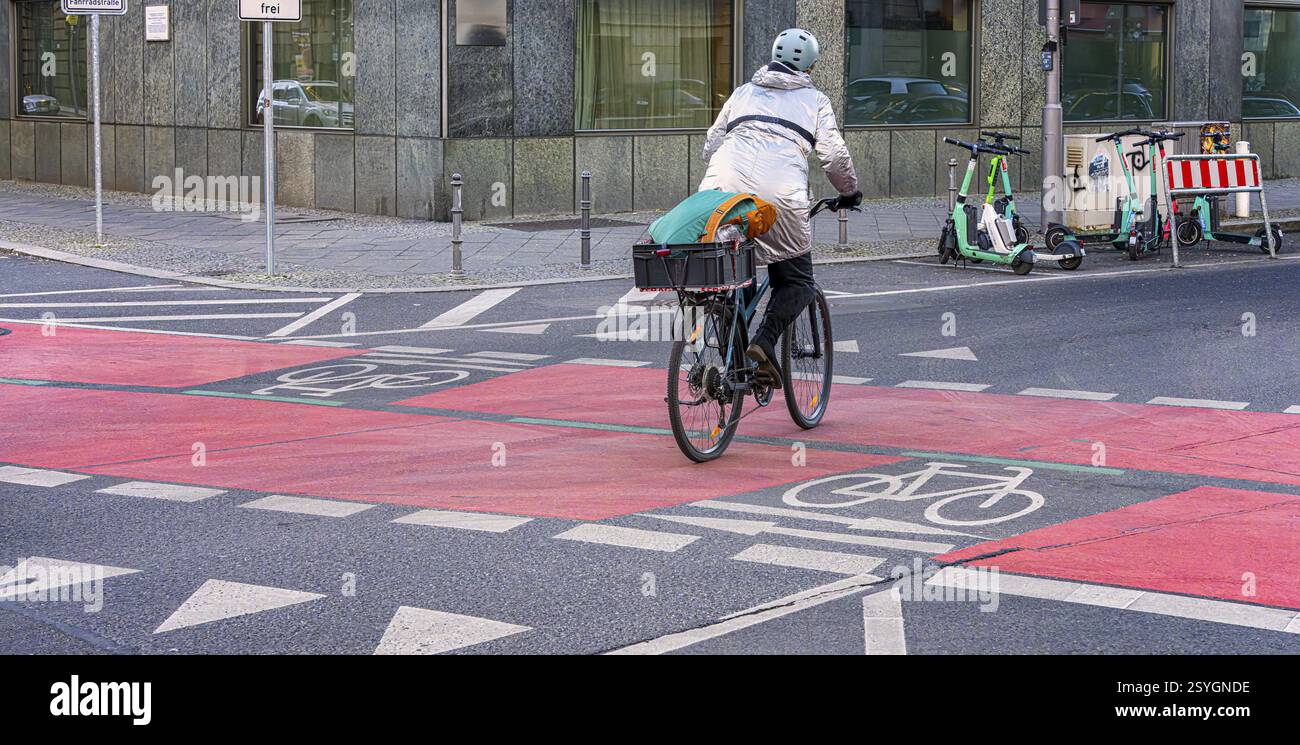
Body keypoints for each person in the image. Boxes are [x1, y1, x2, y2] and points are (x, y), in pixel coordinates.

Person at [699, 28, 862, 387]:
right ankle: (763, 343)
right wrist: (850, 192)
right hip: (780, 196)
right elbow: (833, 155)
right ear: (810, 66)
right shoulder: (815, 101)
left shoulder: (743, 92)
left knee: (733, 272)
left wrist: (718, 175)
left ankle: (731, 364)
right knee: (798, 280)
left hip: (721, 192)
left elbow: (712, 142)